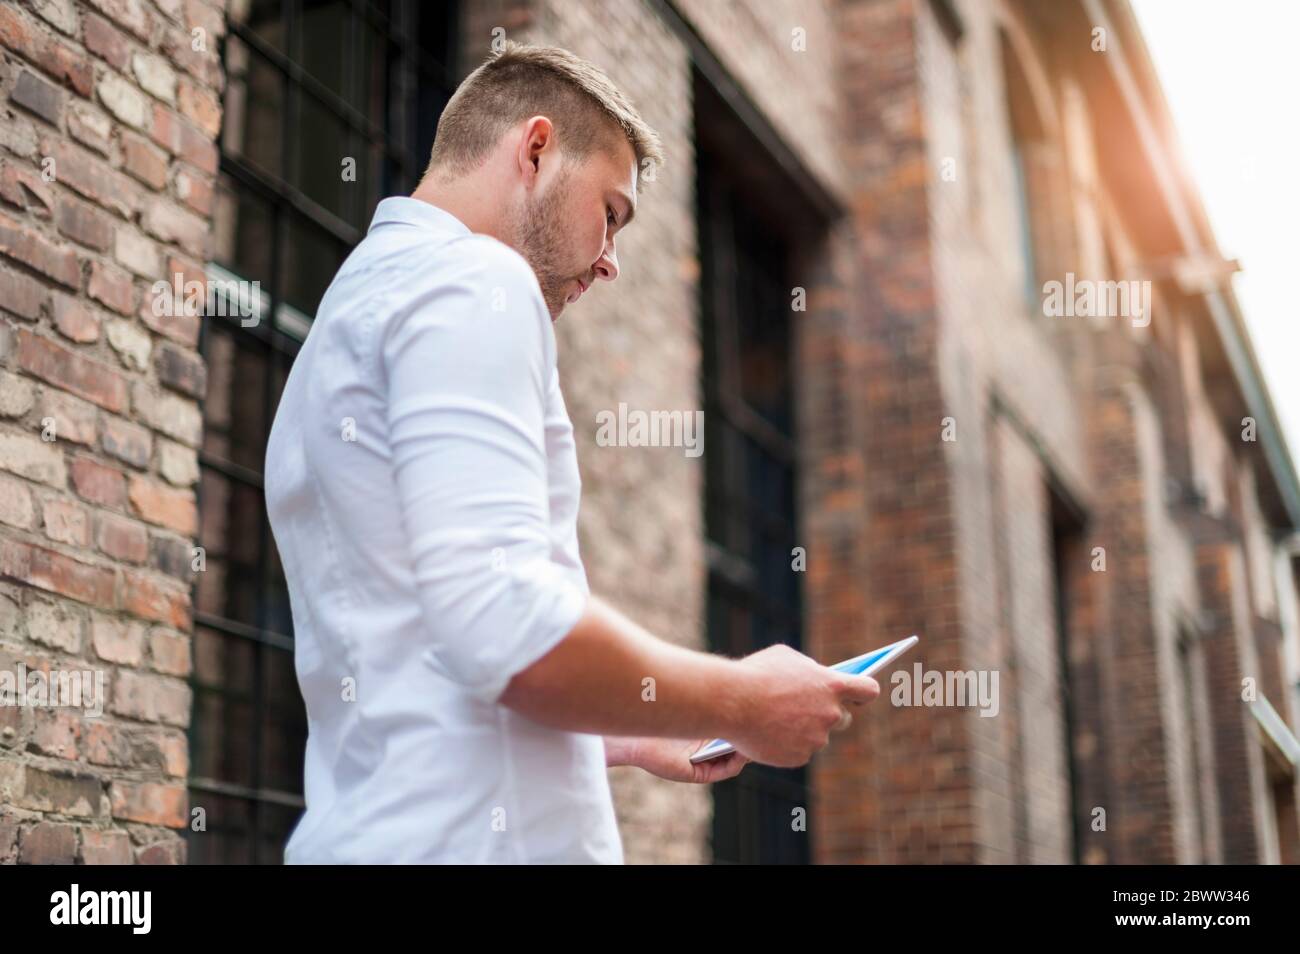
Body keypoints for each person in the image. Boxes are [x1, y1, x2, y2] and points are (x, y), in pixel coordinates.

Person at [265, 40, 880, 864]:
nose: (611, 261)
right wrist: (742, 699)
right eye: (612, 213)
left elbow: (428, 669)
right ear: (537, 148)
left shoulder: (349, 314)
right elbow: (506, 625)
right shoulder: (479, 280)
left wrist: (630, 735)